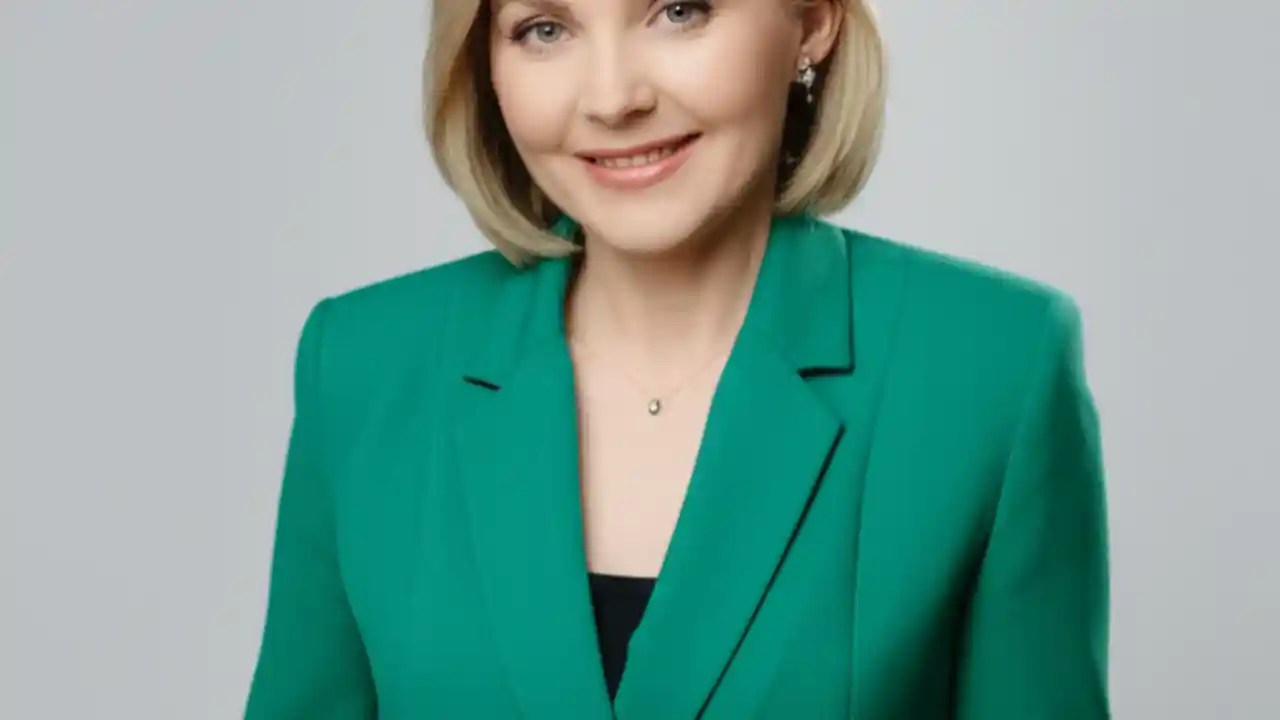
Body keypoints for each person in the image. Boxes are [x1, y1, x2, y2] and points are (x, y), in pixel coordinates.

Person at [244, 0, 1111, 717]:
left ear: (813, 21)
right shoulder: (360, 365)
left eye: (679, 10)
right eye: (544, 28)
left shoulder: (992, 368)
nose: (614, 97)